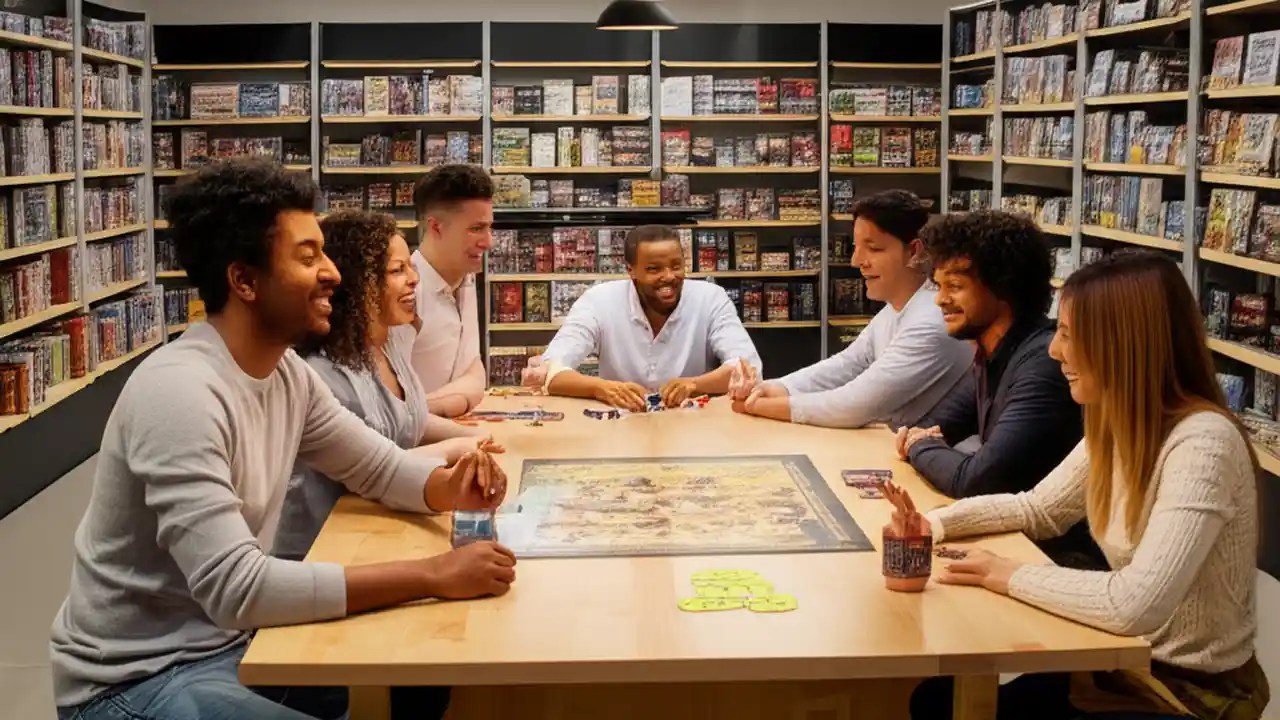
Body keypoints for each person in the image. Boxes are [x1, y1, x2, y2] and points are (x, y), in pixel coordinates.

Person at [49, 159, 516, 720]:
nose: (334, 274)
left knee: (429, 687)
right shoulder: (179, 392)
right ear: (243, 280)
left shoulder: (287, 376)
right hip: (140, 678)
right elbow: (236, 588)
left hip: (232, 645)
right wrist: (430, 576)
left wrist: (451, 486)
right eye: (307, 256)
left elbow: (380, 469)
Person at [910, 249, 1269, 720]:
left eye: (1068, 334)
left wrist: (1005, 573)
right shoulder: (1117, 418)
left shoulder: (1204, 444)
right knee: (933, 700)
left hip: (1180, 693)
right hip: (1117, 665)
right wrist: (931, 524)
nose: (1055, 351)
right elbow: (1039, 509)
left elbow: (1133, 606)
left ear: (1124, 345)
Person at [277, 209, 493, 562]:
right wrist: (458, 448)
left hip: (380, 530)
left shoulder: (389, 345)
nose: (414, 280)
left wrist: (476, 438)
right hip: (325, 548)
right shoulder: (321, 374)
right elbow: (372, 471)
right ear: (358, 282)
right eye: (397, 270)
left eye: (410, 267)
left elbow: (411, 420)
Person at [896, 210, 1100, 567]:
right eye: (939, 286)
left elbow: (977, 480)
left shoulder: (1041, 365)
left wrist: (920, 444)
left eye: (955, 287)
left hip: (1057, 557)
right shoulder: (991, 354)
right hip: (1012, 541)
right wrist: (922, 440)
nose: (940, 300)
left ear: (1004, 288)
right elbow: (930, 425)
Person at [733, 190, 971, 428]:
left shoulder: (931, 320)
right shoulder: (896, 309)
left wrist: (757, 405)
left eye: (874, 248)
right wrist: (772, 387)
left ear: (914, 251)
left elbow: (853, 406)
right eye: (856, 247)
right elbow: (846, 365)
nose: (856, 261)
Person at [522, 224, 762, 411]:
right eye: (653, 269)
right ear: (631, 270)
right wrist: (601, 388)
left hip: (694, 432)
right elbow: (549, 371)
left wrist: (694, 385)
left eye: (676, 265)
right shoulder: (599, 300)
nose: (669, 276)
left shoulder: (711, 298)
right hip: (620, 430)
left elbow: (748, 369)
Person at [409, 164, 492, 418]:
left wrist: (441, 405)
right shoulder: (405, 291)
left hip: (454, 441)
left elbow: (475, 373)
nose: (488, 242)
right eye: (476, 229)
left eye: (490, 227)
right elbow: (389, 409)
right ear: (436, 227)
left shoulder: (465, 279)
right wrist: (460, 398)